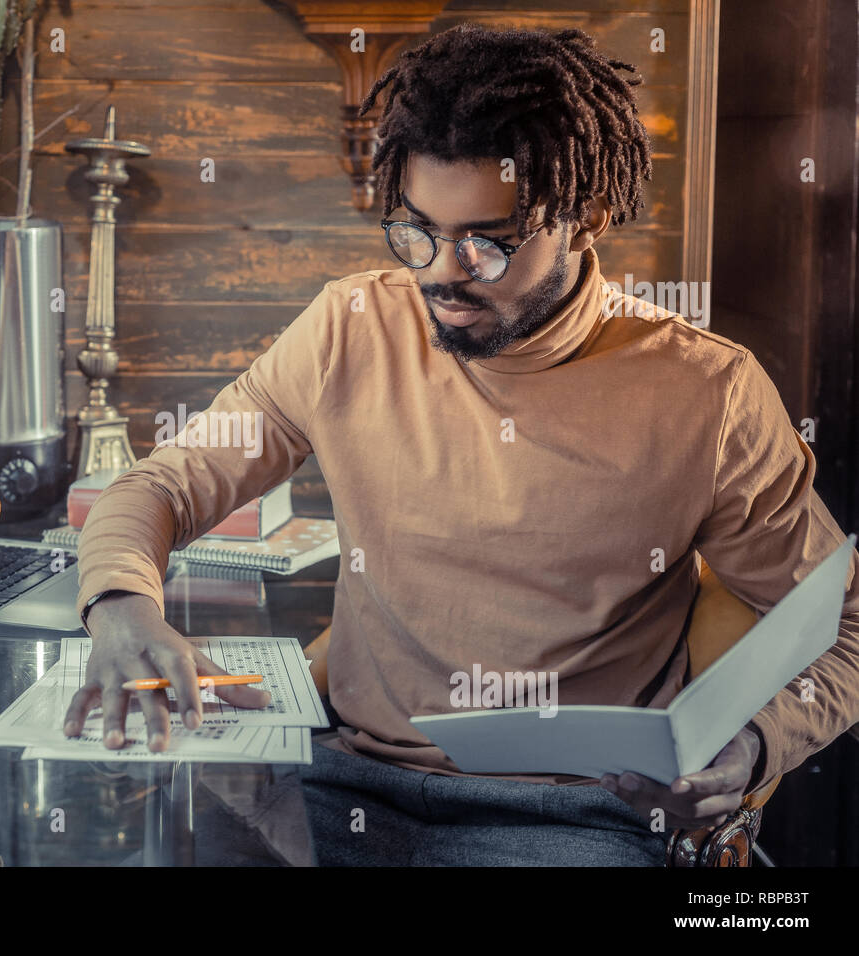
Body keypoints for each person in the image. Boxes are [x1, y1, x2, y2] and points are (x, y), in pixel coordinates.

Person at [61, 24, 859, 865]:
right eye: (417, 233)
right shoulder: (350, 327)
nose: (443, 273)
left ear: (585, 216)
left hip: (570, 822)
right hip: (343, 785)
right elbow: (164, 485)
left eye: (488, 241)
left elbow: (846, 627)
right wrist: (120, 609)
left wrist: (756, 746)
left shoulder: (707, 393)